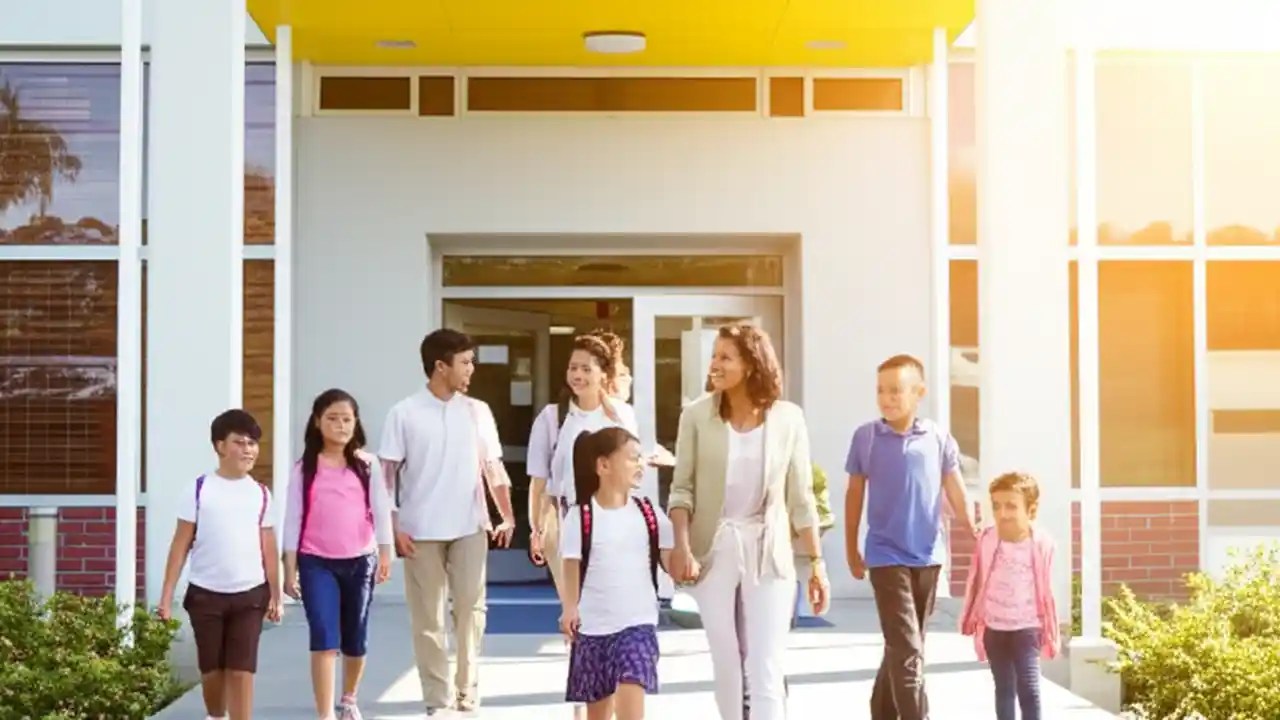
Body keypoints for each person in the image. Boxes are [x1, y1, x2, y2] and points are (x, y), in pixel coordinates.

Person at [667, 324, 830, 720]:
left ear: (751, 363)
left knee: (765, 665)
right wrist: (683, 547)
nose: (715, 365)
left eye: (726, 357)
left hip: (768, 550)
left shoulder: (788, 419)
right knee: (727, 663)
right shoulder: (696, 416)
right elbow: (681, 489)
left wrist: (816, 565)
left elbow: (801, 497)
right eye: (714, 355)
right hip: (714, 549)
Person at [378, 329, 518, 716]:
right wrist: (392, 527)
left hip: (471, 526)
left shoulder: (477, 411)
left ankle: (466, 691)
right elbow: (386, 477)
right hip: (419, 531)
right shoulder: (403, 412)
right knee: (429, 619)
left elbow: (493, 467)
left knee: (472, 612)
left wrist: (506, 515)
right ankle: (437, 700)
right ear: (440, 366)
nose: (471, 370)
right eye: (465, 363)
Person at [844, 354, 976, 720]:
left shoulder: (937, 437)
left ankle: (882, 712)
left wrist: (972, 526)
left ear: (919, 392)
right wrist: (851, 547)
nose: (886, 398)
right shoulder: (866, 437)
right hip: (885, 555)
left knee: (905, 646)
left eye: (895, 391)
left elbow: (955, 488)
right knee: (908, 649)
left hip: (929, 555)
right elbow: (854, 495)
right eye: (881, 391)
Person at [157, 409, 281, 720]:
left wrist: (276, 594)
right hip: (205, 595)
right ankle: (216, 716)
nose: (248, 449)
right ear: (220, 446)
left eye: (253, 443)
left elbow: (269, 548)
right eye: (240, 442)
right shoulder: (199, 489)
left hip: (250, 595)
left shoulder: (261, 494)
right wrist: (165, 597)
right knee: (213, 671)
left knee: (242, 670)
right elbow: (180, 544)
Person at [283, 389, 395, 720]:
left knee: (355, 637)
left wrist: (385, 553)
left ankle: (348, 698)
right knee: (323, 634)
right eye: (332, 418)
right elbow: (292, 518)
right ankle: (324, 714)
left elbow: (381, 509)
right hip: (315, 561)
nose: (340, 425)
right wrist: (289, 567)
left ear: (355, 423)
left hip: (360, 561)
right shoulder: (304, 469)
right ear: (318, 422)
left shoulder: (367, 464)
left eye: (347, 419)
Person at [559, 427, 674, 720]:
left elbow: (672, 559)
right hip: (593, 628)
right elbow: (571, 564)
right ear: (603, 465)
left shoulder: (649, 514)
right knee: (597, 715)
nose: (641, 465)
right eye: (632, 458)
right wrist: (570, 608)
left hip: (638, 624)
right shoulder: (581, 515)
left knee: (631, 686)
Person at [959, 472, 1061, 720]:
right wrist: (972, 615)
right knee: (1003, 688)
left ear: (1031, 510)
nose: (1002, 513)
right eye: (996, 506)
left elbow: (1046, 591)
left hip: (1028, 627)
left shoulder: (1041, 543)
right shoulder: (987, 539)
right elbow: (976, 579)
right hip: (995, 626)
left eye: (1011, 506)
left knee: (1029, 687)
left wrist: (1049, 627)